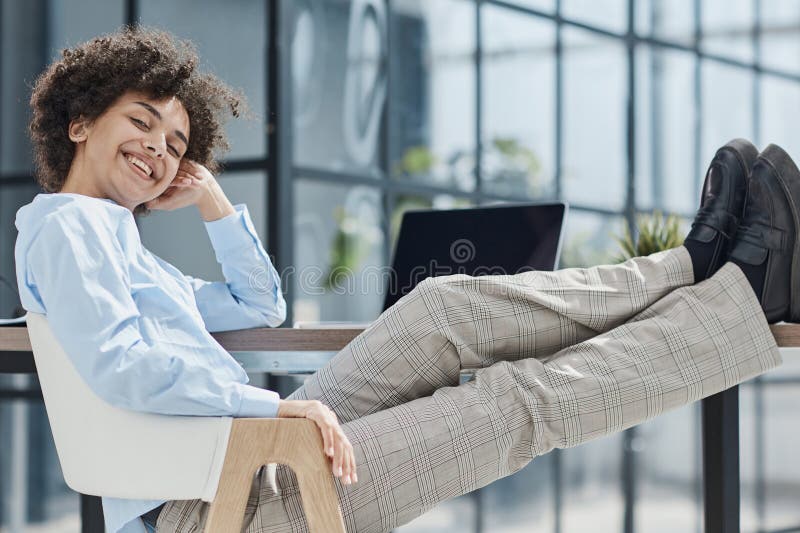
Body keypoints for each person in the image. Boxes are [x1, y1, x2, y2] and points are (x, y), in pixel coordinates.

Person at [12, 27, 796, 533]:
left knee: (440, 308)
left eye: (176, 142)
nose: (157, 149)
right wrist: (276, 404)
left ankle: (690, 267)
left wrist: (214, 201)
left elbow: (260, 303)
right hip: (210, 496)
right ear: (79, 120)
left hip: (239, 452)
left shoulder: (122, 247)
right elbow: (122, 364)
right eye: (141, 121)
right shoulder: (67, 228)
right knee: (509, 403)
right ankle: (742, 299)